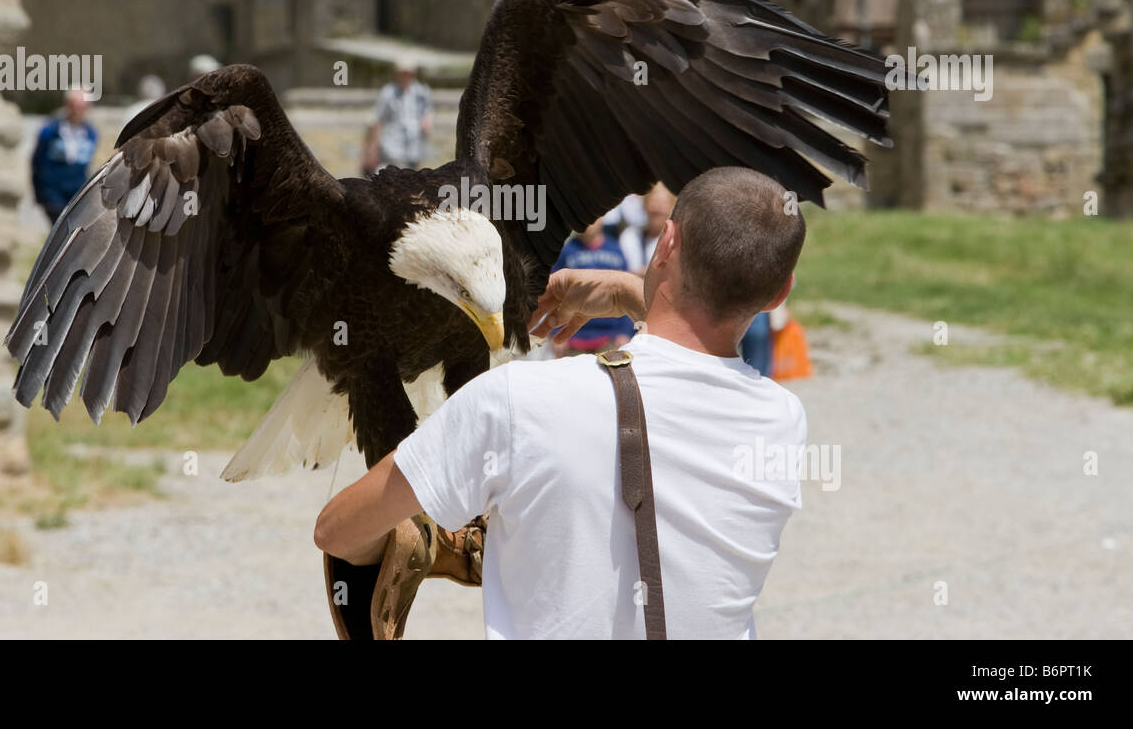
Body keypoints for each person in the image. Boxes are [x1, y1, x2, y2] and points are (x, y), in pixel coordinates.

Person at [315, 166, 808, 639]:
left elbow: (337, 531)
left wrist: (418, 536)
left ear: (668, 242)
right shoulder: (783, 421)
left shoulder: (515, 401)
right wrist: (639, 293)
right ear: (778, 293)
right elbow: (704, 355)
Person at [550, 216, 635, 355]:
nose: (588, 222)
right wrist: (555, 331)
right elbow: (554, 294)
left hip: (609, 336)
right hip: (573, 337)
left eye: (594, 217)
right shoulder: (566, 251)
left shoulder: (615, 250)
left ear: (602, 218)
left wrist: (624, 331)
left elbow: (627, 294)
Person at [31, 86, 98, 224]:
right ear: (67, 105)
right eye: (74, 105)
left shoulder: (91, 134)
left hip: (77, 193)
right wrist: (40, 193)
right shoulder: (51, 130)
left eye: (82, 106)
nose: (77, 110)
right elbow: (37, 160)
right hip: (53, 194)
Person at [364, 58, 432, 171]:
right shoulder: (388, 92)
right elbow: (379, 121)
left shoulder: (422, 92)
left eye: (409, 73)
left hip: (414, 151)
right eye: (404, 73)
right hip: (392, 149)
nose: (406, 76)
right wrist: (372, 150)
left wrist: (427, 124)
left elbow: (427, 115)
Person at [619, 183, 675, 275]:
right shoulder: (630, 236)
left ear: (672, 208)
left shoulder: (676, 241)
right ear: (645, 205)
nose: (657, 208)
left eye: (663, 204)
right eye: (654, 202)